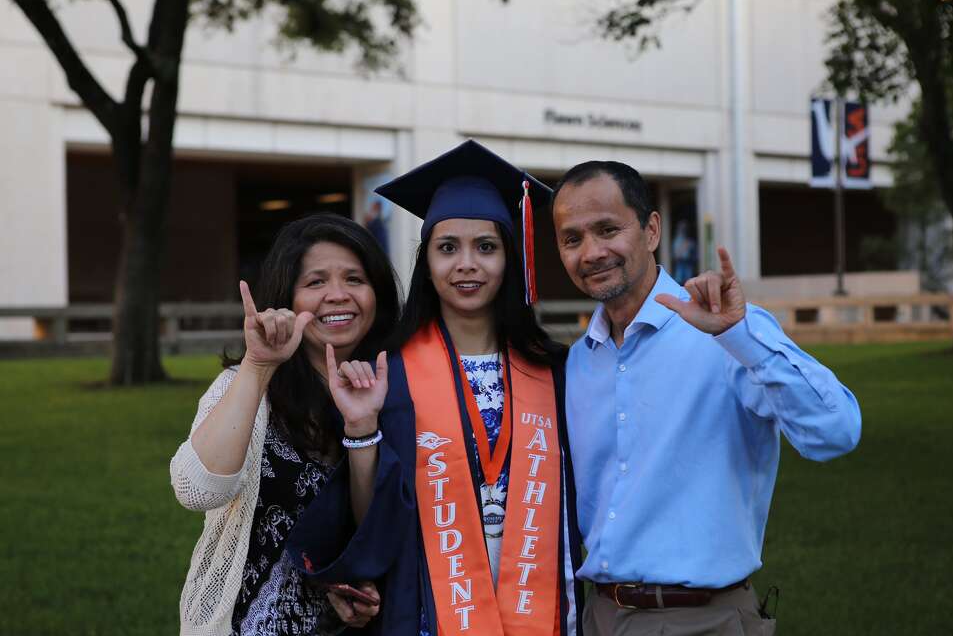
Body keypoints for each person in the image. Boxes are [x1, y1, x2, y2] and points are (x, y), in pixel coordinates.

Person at [286, 139, 584, 636]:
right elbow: (372, 517)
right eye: (448, 248)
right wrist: (360, 429)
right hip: (431, 610)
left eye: (485, 247)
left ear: (510, 258)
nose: (467, 264)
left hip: (539, 604)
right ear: (427, 261)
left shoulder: (555, 371)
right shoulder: (392, 373)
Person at [550, 161, 862, 636]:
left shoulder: (726, 332)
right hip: (600, 617)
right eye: (572, 239)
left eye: (608, 229)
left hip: (704, 619)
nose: (592, 252)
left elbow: (835, 432)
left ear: (651, 230)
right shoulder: (575, 364)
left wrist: (741, 337)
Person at [169, 213, 401, 636]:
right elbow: (196, 489)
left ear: (377, 293)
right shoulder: (245, 389)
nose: (337, 295)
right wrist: (259, 365)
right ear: (287, 298)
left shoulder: (396, 395)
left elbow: (373, 533)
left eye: (354, 278)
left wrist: (363, 426)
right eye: (315, 282)